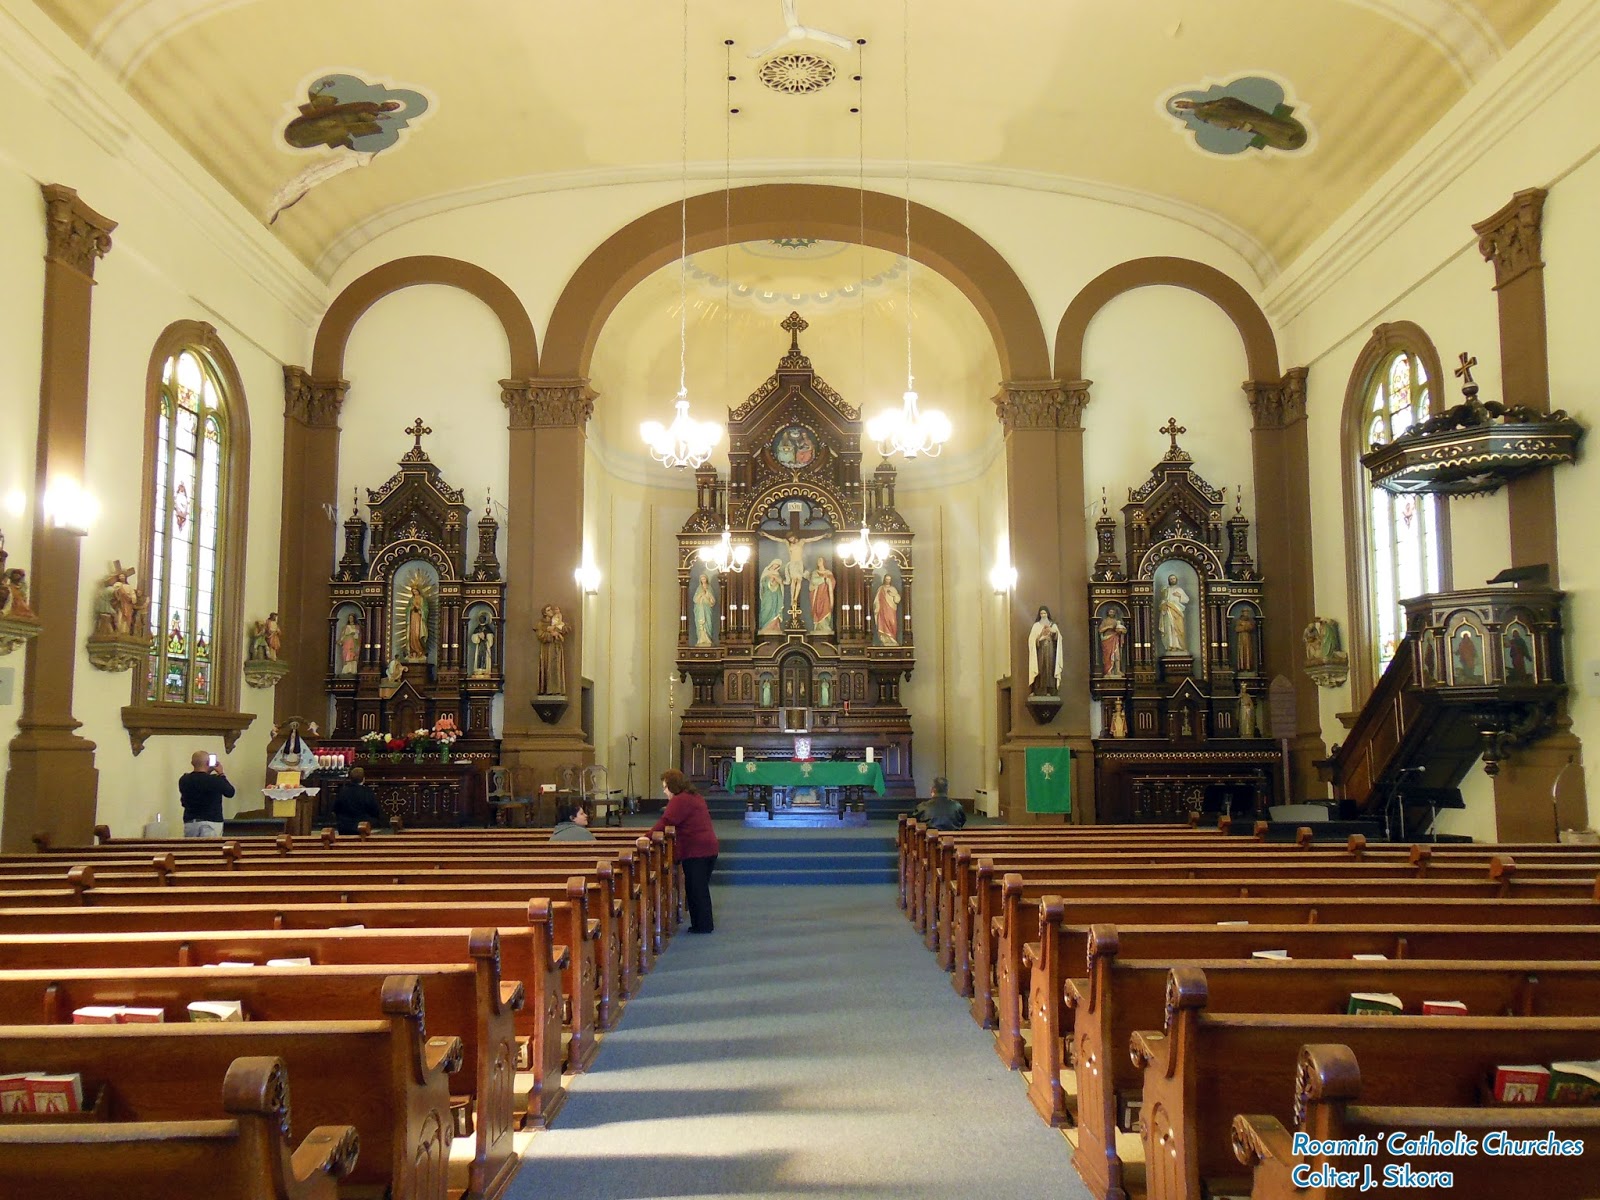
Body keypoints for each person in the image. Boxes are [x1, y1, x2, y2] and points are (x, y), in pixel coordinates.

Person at [653, 768, 719, 933]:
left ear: (673, 786)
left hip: (697, 850)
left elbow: (666, 821)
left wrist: (647, 837)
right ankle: (701, 923)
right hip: (707, 847)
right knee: (698, 887)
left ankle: (703, 925)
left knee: (697, 889)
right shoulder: (694, 796)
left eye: (665, 787)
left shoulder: (680, 800)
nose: (664, 791)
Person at [179, 750, 234, 837]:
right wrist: (221, 773)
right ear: (209, 763)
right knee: (209, 849)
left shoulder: (184, 780)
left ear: (192, 763)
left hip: (190, 823)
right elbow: (230, 792)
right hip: (211, 822)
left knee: (192, 850)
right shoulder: (215, 780)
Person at [333, 766, 382, 835]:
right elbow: (375, 810)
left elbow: (336, 809)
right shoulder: (367, 792)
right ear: (363, 779)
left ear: (350, 779)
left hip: (344, 827)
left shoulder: (343, 792)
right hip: (363, 826)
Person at [1028, 606, 1061, 696]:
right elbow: (1032, 640)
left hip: (1050, 650)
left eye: (1045, 613)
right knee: (1040, 668)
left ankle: (1050, 690)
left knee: (1049, 668)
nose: (1043, 615)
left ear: (1048, 614)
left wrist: (1053, 631)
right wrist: (1041, 636)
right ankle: (1038, 690)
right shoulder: (1036, 626)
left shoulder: (1053, 625)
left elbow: (1058, 638)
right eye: (1041, 614)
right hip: (1040, 651)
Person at [1159, 573, 1190, 654]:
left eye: (1174, 579)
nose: (1172, 580)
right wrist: (1163, 606)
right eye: (1171, 579)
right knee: (1169, 628)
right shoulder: (1167, 590)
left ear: (1176, 580)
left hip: (1177, 611)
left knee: (1177, 629)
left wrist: (1180, 596)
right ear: (1169, 581)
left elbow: (1186, 599)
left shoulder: (1179, 590)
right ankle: (1171, 646)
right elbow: (1164, 600)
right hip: (1168, 611)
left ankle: (1179, 646)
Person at [874, 572, 901, 645]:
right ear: (884, 580)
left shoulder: (893, 589)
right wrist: (877, 607)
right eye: (886, 579)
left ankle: (892, 639)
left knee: (892, 622)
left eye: (889, 579)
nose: (887, 581)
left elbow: (897, 599)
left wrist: (893, 594)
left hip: (891, 609)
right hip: (882, 609)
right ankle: (884, 640)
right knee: (883, 624)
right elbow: (876, 600)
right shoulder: (881, 588)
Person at [692, 573, 715, 646]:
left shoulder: (709, 588)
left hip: (707, 608)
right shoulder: (699, 588)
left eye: (704, 578)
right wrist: (701, 594)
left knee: (708, 623)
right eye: (702, 579)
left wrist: (707, 593)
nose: (703, 580)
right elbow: (695, 599)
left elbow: (712, 600)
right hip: (700, 608)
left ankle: (708, 639)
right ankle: (701, 639)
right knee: (700, 624)